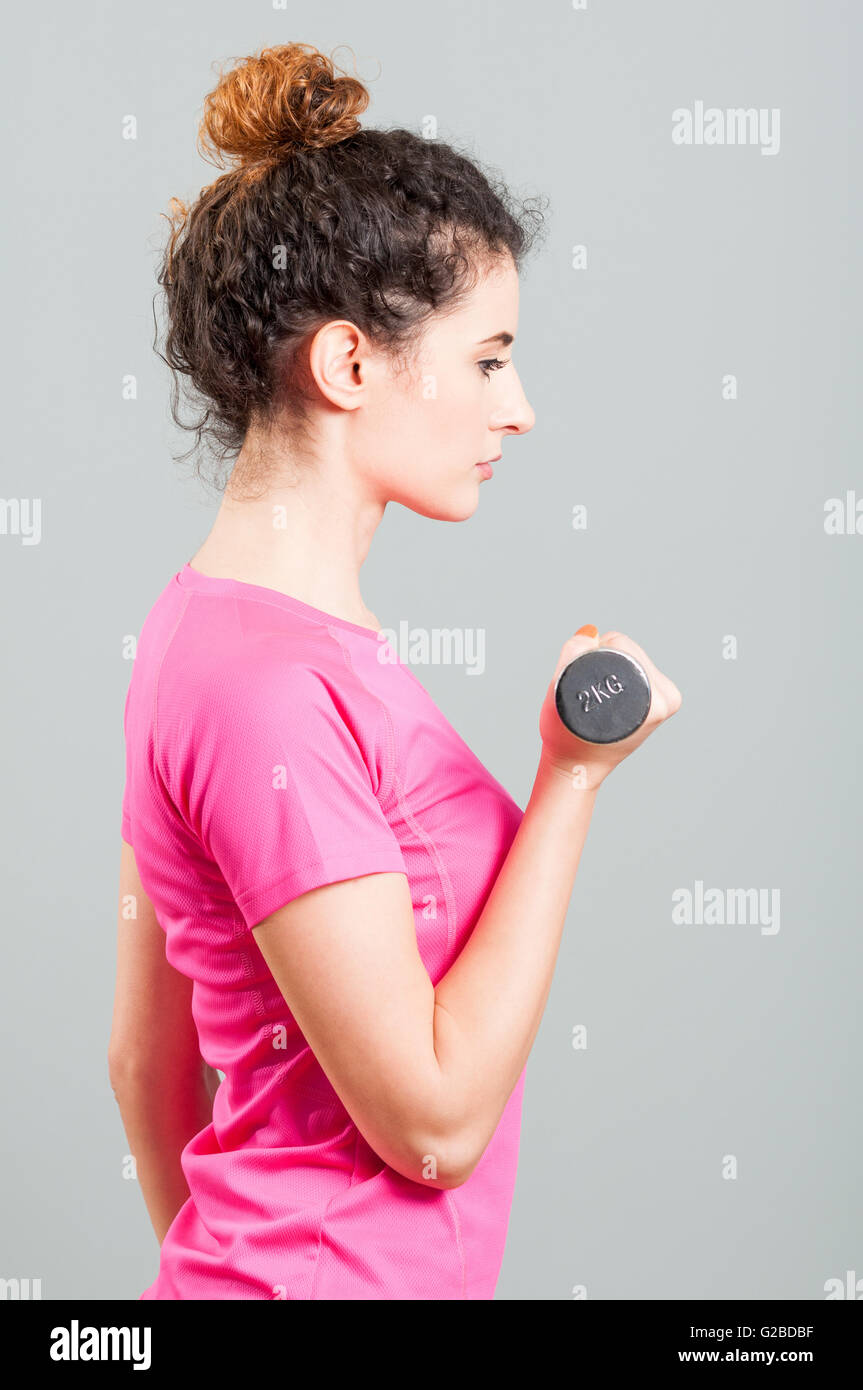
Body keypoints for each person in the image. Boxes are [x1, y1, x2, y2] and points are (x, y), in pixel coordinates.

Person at [108, 41, 682, 1301]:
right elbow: (431, 1124)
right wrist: (570, 780)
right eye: (487, 357)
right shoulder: (269, 689)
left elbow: (142, 1065)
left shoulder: (203, 637)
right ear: (350, 365)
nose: (517, 405)